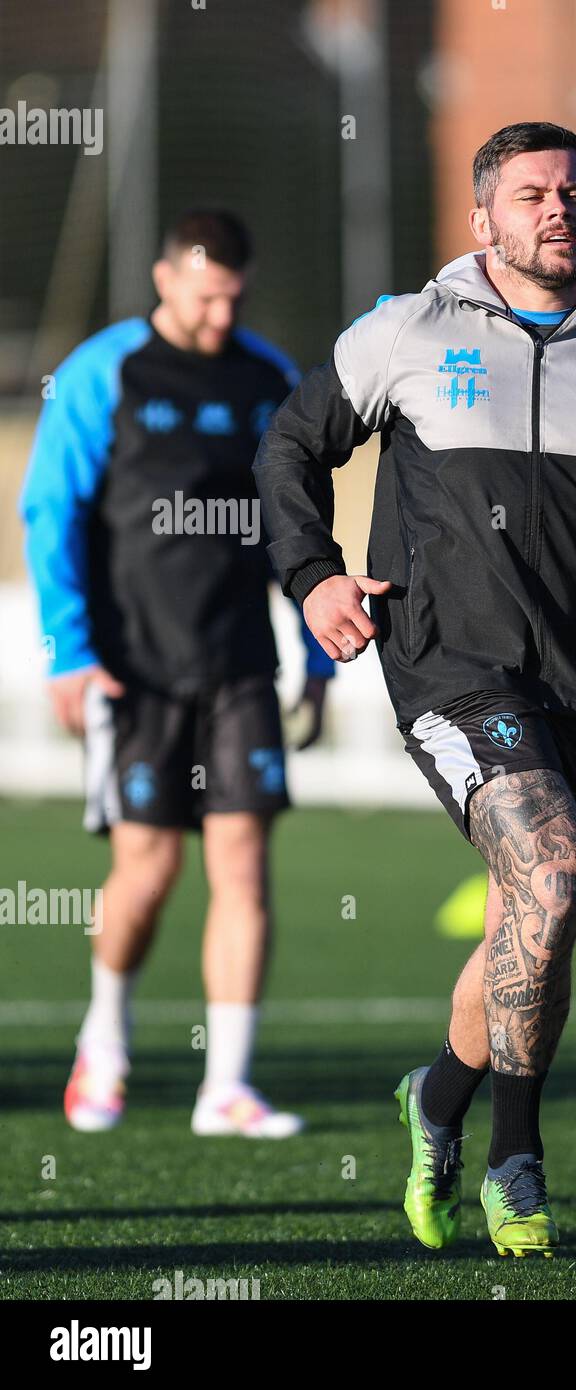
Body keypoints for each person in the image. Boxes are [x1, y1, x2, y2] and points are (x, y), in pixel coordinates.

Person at [254, 122, 576, 1252]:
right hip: (448, 665)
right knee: (553, 867)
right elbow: (288, 447)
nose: (557, 210)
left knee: (544, 916)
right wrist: (316, 574)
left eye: (573, 191)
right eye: (530, 193)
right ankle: (515, 1159)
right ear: (483, 216)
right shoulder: (407, 332)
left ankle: (434, 1098)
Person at [19, 208, 332, 1139]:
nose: (217, 316)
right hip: (134, 670)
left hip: (240, 665)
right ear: (165, 280)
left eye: (233, 297)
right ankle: (105, 1044)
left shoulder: (268, 377)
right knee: (146, 872)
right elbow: (51, 514)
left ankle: (226, 1087)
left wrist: (314, 656)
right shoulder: (103, 373)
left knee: (244, 867)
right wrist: (69, 652)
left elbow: (294, 528)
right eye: (203, 297)